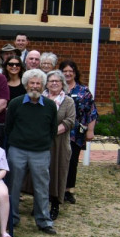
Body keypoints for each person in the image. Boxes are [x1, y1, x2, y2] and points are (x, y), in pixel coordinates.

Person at [4, 69, 58, 236]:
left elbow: (53, 129)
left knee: (42, 187)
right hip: (17, 150)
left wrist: (41, 142)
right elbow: (8, 127)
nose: (35, 86)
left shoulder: (50, 106)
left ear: (43, 86)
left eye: (38, 83)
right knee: (13, 186)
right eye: (32, 83)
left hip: (40, 152)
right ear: (26, 85)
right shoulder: (15, 103)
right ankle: (11, 218)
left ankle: (44, 221)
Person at [60, 60, 97, 206]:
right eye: (65, 71)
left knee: (72, 161)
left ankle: (68, 191)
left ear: (75, 73)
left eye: (71, 71)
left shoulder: (83, 91)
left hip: (76, 133)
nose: (68, 74)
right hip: (58, 131)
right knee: (57, 160)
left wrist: (91, 130)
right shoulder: (56, 88)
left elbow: (92, 112)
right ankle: (56, 189)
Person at [45, 70, 76, 220]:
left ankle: (55, 205)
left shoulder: (68, 101)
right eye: (51, 81)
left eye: (57, 81)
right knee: (41, 173)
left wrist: (50, 133)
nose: (54, 83)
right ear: (47, 83)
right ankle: (40, 204)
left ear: (62, 83)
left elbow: (69, 121)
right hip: (41, 143)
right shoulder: (41, 99)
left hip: (59, 143)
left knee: (57, 172)